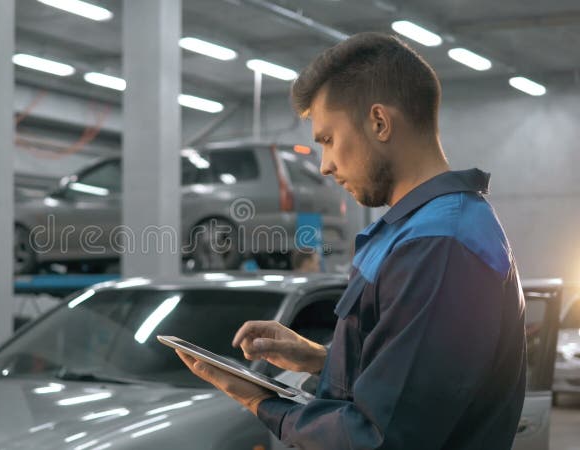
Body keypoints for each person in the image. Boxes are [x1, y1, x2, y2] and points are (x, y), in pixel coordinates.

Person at [175, 32, 527, 449]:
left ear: (379, 122)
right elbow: (408, 379)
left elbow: (381, 437)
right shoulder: (414, 231)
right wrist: (320, 359)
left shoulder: (439, 245)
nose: (324, 165)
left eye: (327, 139)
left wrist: (260, 401)